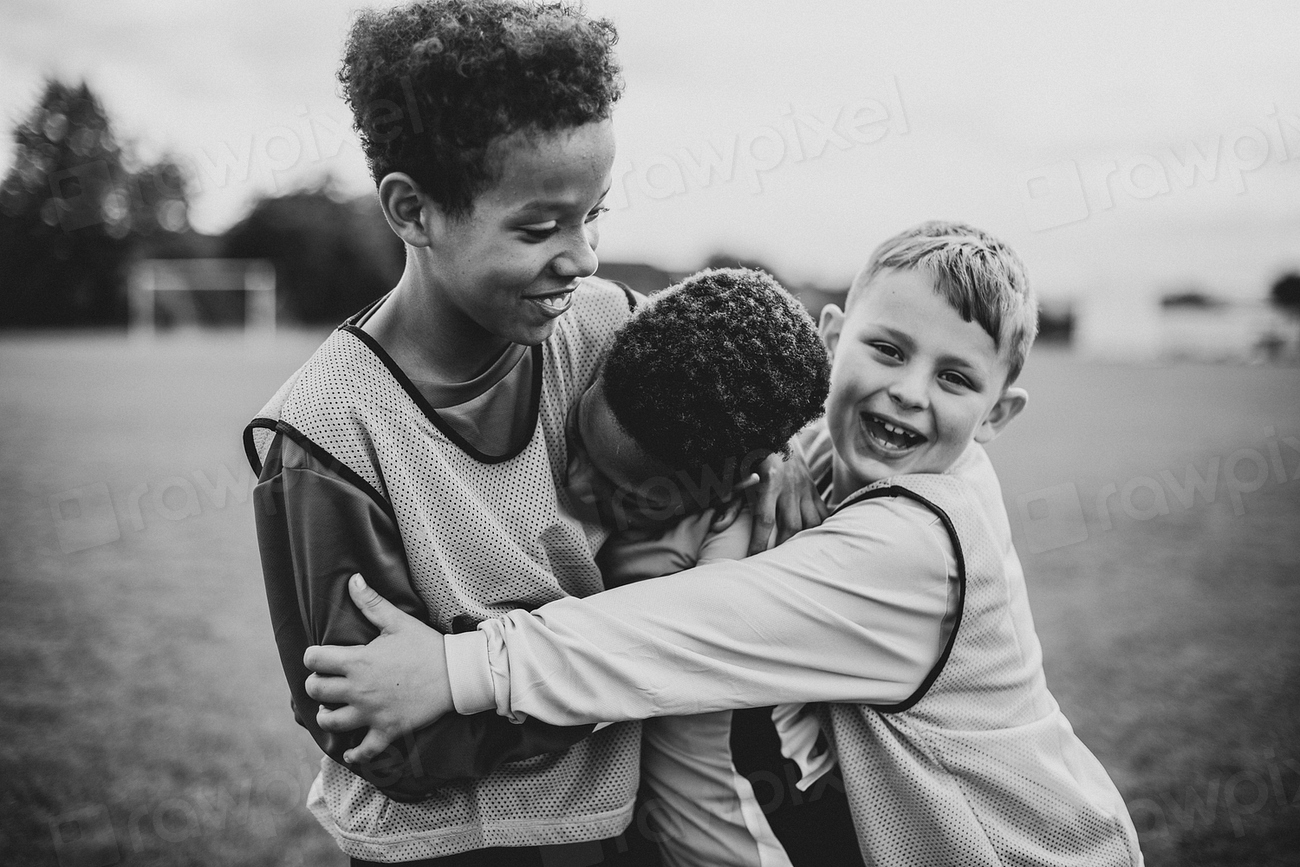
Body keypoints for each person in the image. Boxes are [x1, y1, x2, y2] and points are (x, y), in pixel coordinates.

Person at [307, 222, 1146, 866]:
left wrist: (453, 670)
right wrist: (778, 444)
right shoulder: (858, 449)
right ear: (832, 339)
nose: (907, 392)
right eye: (887, 349)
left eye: (955, 378)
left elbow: (677, 628)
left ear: (998, 416)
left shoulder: (916, 549)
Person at [244, 4, 820, 863]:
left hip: (619, 827)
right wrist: (621, 667)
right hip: (449, 847)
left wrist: (764, 458)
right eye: (540, 226)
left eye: (595, 214)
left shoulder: (605, 327)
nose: (584, 256)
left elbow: (732, 388)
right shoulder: (327, 433)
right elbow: (384, 736)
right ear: (413, 209)